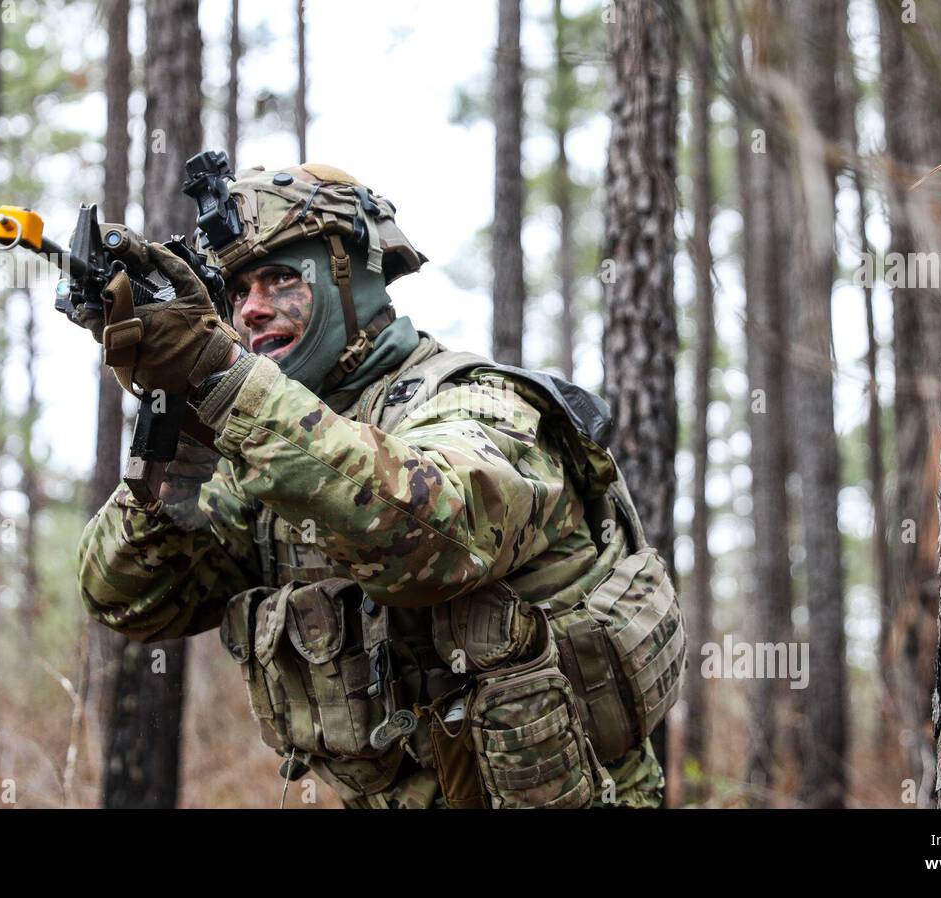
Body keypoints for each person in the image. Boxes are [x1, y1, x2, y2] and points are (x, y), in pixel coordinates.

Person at [77, 161, 687, 808]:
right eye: (236, 290)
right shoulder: (271, 443)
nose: (251, 309)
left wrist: (227, 379)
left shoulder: (477, 404)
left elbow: (431, 536)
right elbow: (131, 598)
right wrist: (178, 425)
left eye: (282, 277)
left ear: (354, 280)